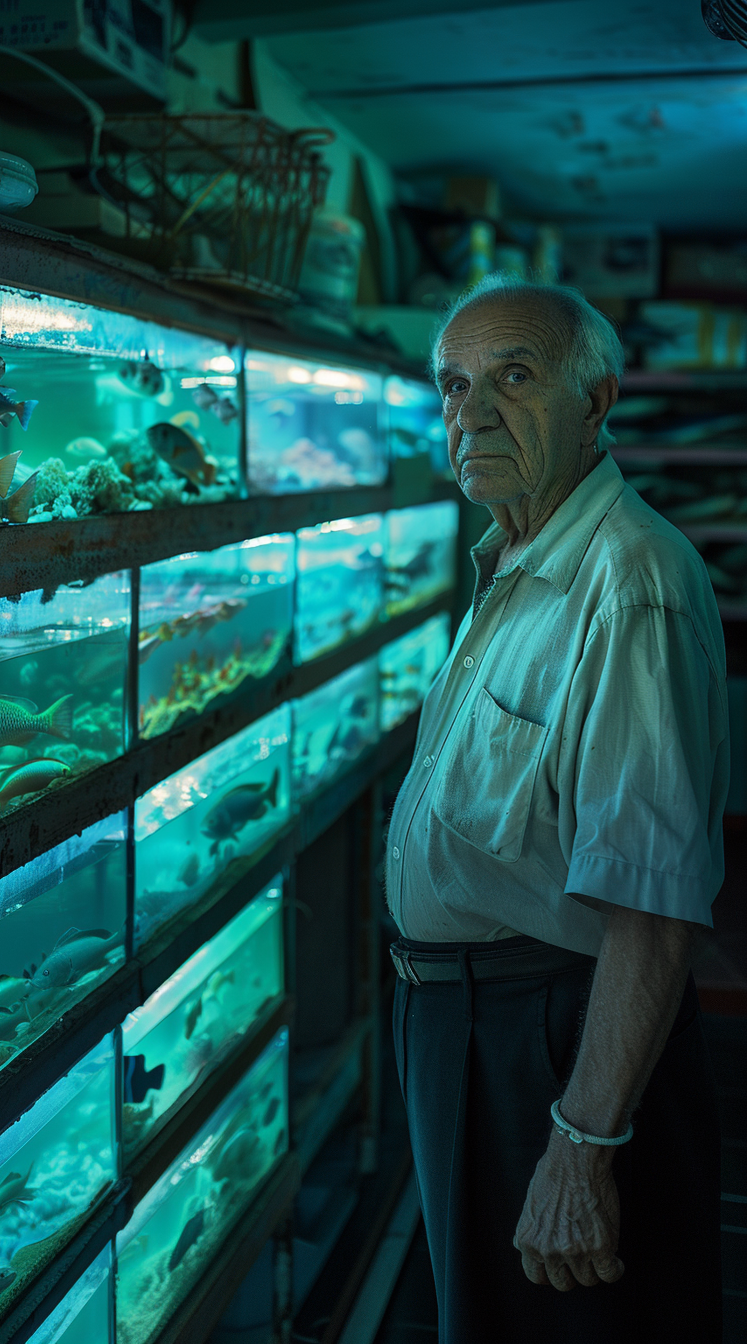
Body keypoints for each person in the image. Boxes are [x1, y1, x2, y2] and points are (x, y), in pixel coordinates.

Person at [386, 274, 729, 1344]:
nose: (470, 413)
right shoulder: (516, 556)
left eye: (514, 377)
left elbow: (650, 906)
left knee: (568, 1315)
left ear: (597, 401)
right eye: (451, 385)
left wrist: (582, 1145)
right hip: (470, 1021)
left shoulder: (626, 582)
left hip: (548, 1031)